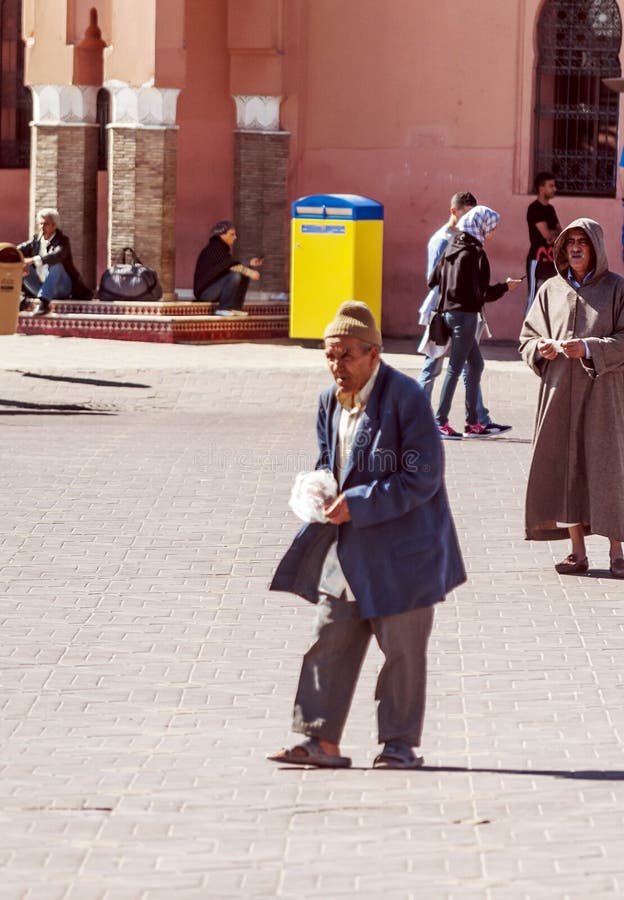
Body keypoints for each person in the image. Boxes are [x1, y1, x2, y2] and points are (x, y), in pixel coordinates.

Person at [267, 301, 466, 769]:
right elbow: (328, 461)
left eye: (348, 355)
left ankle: (398, 745)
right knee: (329, 636)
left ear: (374, 354)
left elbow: (423, 477)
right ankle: (319, 740)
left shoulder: (406, 398)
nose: (338, 366)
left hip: (406, 551)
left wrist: (358, 503)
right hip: (349, 547)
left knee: (401, 651)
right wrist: (317, 487)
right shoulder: (326, 401)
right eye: (330, 356)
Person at [519, 218, 624, 578]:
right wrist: (540, 348)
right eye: (570, 242)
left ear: (597, 247)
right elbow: (527, 338)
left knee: (607, 465)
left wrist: (590, 348)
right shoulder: (550, 290)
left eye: (583, 241)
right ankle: (577, 552)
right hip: (559, 392)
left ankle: (617, 551)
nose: (576, 247)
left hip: (603, 394)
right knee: (566, 467)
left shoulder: (616, 289)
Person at [418, 191, 511, 435]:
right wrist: (505, 287)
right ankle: (440, 421)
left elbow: (432, 280)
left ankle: (473, 422)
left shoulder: (452, 246)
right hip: (465, 318)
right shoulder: (476, 253)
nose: (491, 233)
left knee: (476, 364)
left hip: (448, 314)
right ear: (480, 225)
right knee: (455, 368)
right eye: (490, 228)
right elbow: (482, 294)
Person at [18, 208, 92, 315]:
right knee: (19, 264)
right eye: (40, 224)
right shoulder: (36, 240)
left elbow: (56, 255)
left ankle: (44, 304)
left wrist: (33, 260)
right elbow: (17, 249)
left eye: (46, 224)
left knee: (56, 264)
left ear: (55, 225)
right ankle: (21, 299)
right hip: (39, 287)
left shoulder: (63, 241)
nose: (42, 228)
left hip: (62, 288)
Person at [192, 220, 263, 317]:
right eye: (232, 234)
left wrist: (250, 265)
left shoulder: (222, 248)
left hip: (214, 289)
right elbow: (231, 266)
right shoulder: (214, 247)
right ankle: (223, 308)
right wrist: (249, 271)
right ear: (222, 235)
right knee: (235, 276)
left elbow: (230, 265)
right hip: (205, 292)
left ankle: (235, 308)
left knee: (241, 275)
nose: (235, 237)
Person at [525, 172, 561, 314]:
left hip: (551, 260)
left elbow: (560, 232)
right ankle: (526, 335)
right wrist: (553, 235)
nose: (554, 189)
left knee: (550, 299)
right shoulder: (534, 208)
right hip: (537, 260)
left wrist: (554, 235)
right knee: (534, 297)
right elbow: (547, 235)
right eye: (551, 186)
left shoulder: (550, 209)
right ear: (541, 188)